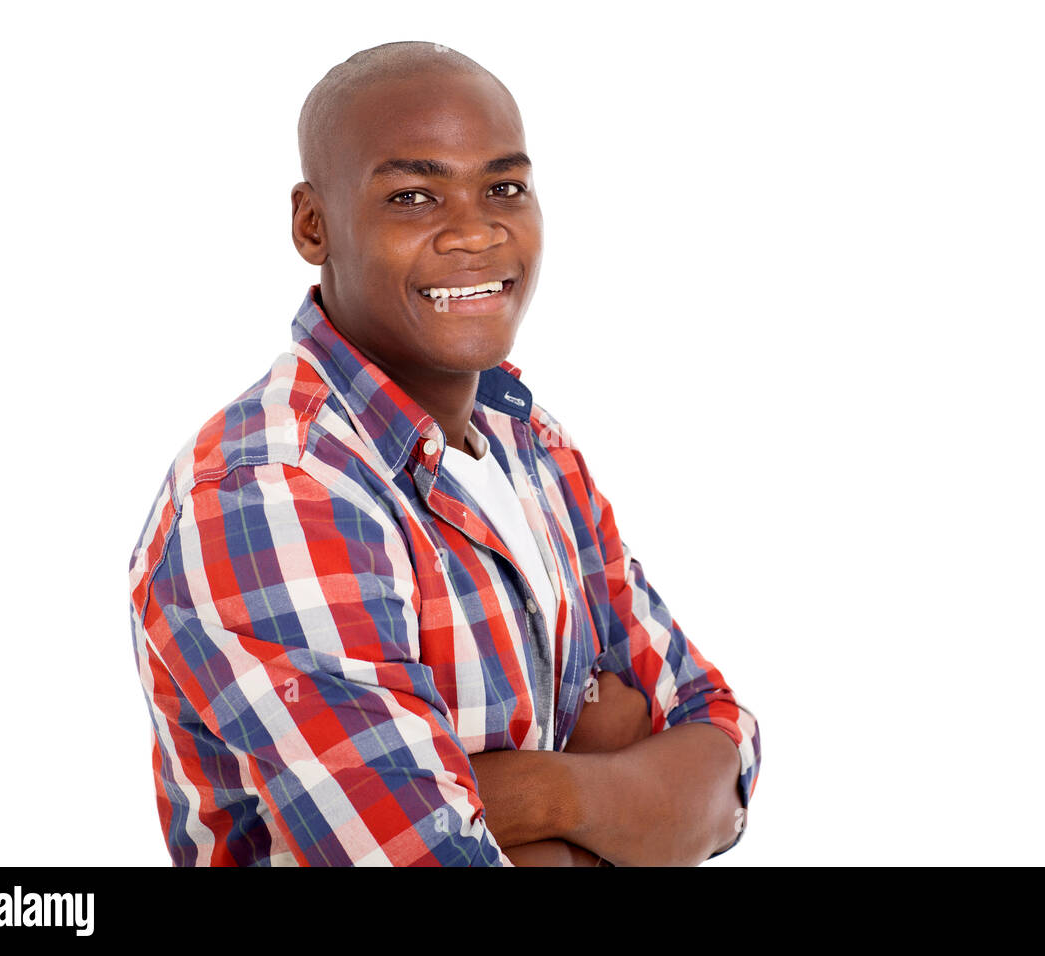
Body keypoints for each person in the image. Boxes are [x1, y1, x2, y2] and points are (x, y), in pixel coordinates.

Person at [127, 40, 761, 866]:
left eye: (504, 187)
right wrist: (617, 785)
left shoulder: (532, 442)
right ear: (312, 224)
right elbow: (427, 857)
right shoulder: (268, 491)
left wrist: (536, 795)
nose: (475, 231)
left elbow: (722, 748)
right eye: (414, 195)